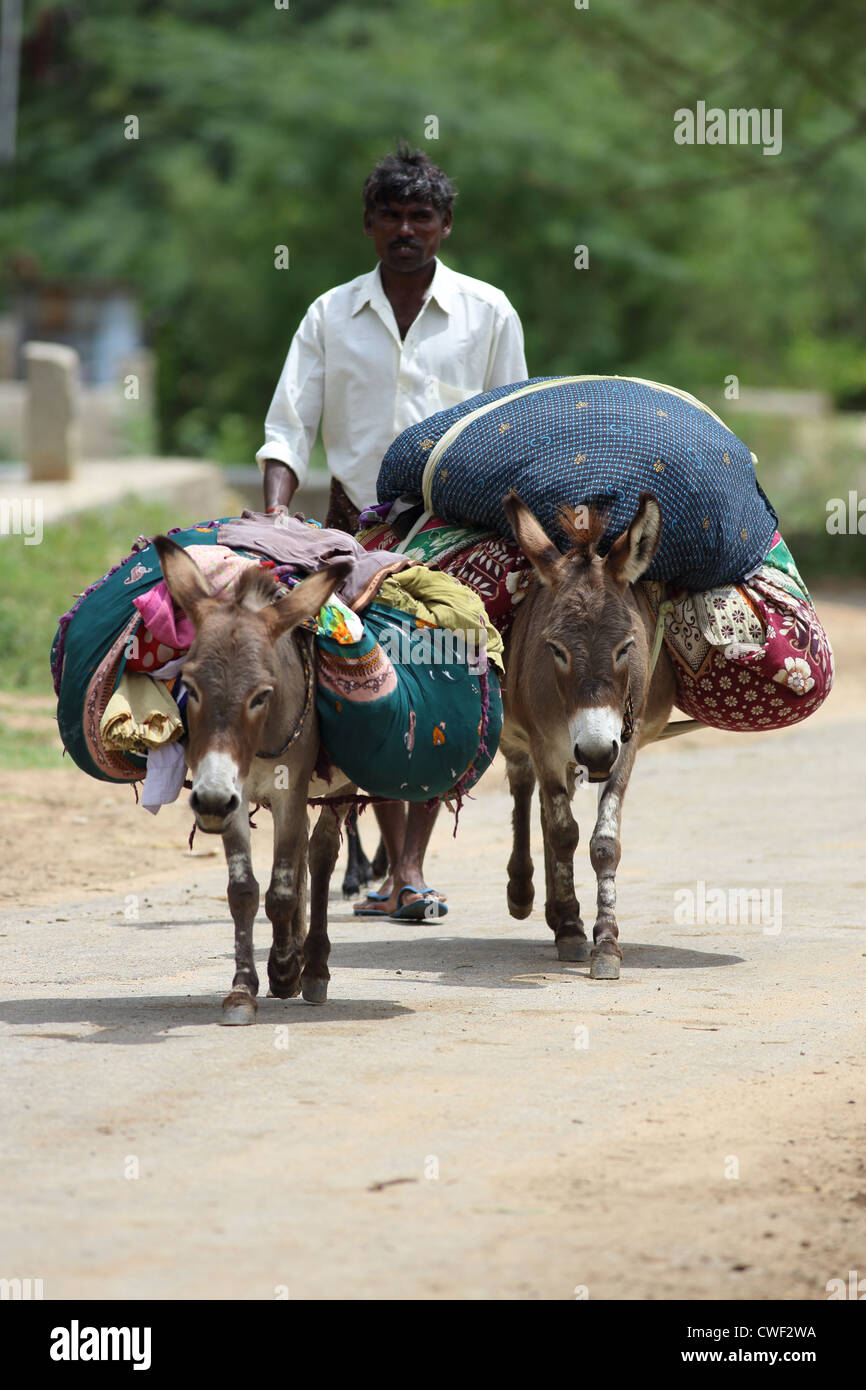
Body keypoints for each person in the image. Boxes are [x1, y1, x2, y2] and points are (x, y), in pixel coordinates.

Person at [257, 141, 527, 919]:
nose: (406, 229)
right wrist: (275, 519)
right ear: (369, 227)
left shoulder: (488, 312)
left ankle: (408, 871)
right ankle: (393, 871)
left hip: (453, 527)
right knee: (363, 680)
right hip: (352, 532)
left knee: (444, 675)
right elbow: (286, 430)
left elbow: (509, 424)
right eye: (391, 216)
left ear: (445, 226)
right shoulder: (329, 314)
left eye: (421, 216)